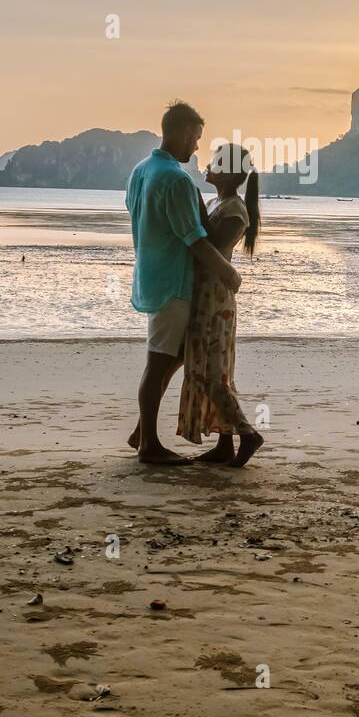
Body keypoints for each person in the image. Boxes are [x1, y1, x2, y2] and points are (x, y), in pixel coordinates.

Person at [125, 102, 241, 464]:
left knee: (173, 356)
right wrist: (227, 272)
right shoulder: (175, 179)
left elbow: (137, 215)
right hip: (174, 282)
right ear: (184, 132)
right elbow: (195, 239)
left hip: (149, 275)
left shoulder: (141, 171)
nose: (197, 149)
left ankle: (142, 433)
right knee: (158, 363)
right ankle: (149, 446)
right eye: (196, 139)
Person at [176, 142, 264, 468]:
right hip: (206, 296)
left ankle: (248, 433)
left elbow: (211, 248)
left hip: (216, 299)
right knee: (208, 370)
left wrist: (194, 202)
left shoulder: (235, 211)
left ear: (226, 171)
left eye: (214, 162)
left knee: (214, 375)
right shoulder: (221, 203)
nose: (207, 166)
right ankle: (225, 445)